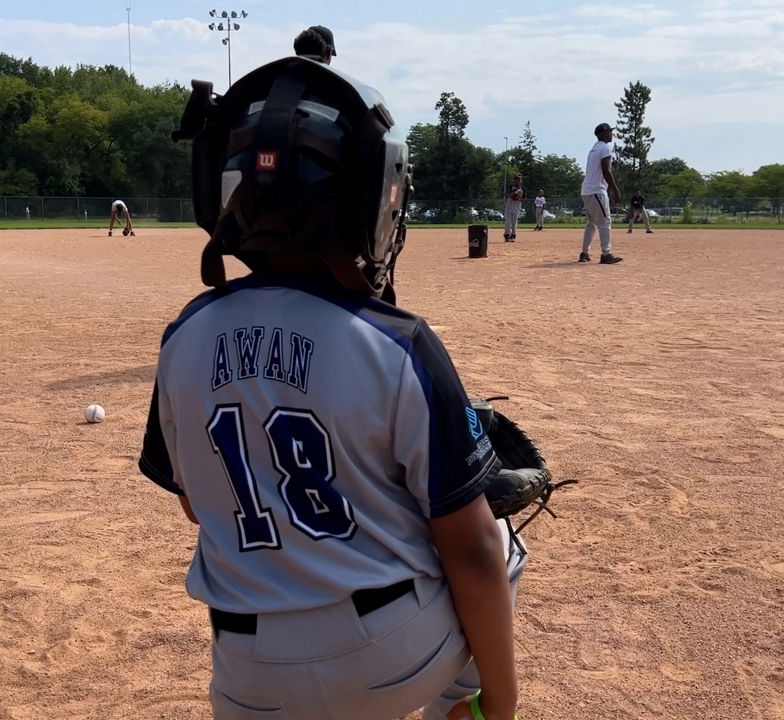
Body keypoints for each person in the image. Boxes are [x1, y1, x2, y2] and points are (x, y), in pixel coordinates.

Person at [143, 57, 522, 720]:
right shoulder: (397, 341)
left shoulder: (185, 335)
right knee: (501, 544)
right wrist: (507, 708)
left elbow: (196, 508)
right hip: (391, 662)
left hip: (245, 678)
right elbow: (473, 549)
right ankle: (470, 713)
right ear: (362, 199)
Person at [579, 122, 623, 264]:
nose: (612, 134)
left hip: (587, 190)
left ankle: (584, 253)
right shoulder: (605, 147)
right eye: (610, 132)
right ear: (604, 134)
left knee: (591, 223)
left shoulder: (593, 149)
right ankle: (606, 254)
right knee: (605, 222)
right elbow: (606, 170)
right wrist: (615, 190)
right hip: (596, 190)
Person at [502, 173, 525, 242]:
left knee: (514, 222)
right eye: (516, 180)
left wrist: (518, 198)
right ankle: (507, 235)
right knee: (508, 221)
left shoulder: (523, 189)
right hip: (509, 207)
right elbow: (507, 195)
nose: (517, 181)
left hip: (516, 208)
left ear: (521, 181)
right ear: (514, 180)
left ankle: (513, 235)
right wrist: (514, 193)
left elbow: (523, 199)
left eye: (519, 180)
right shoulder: (511, 187)